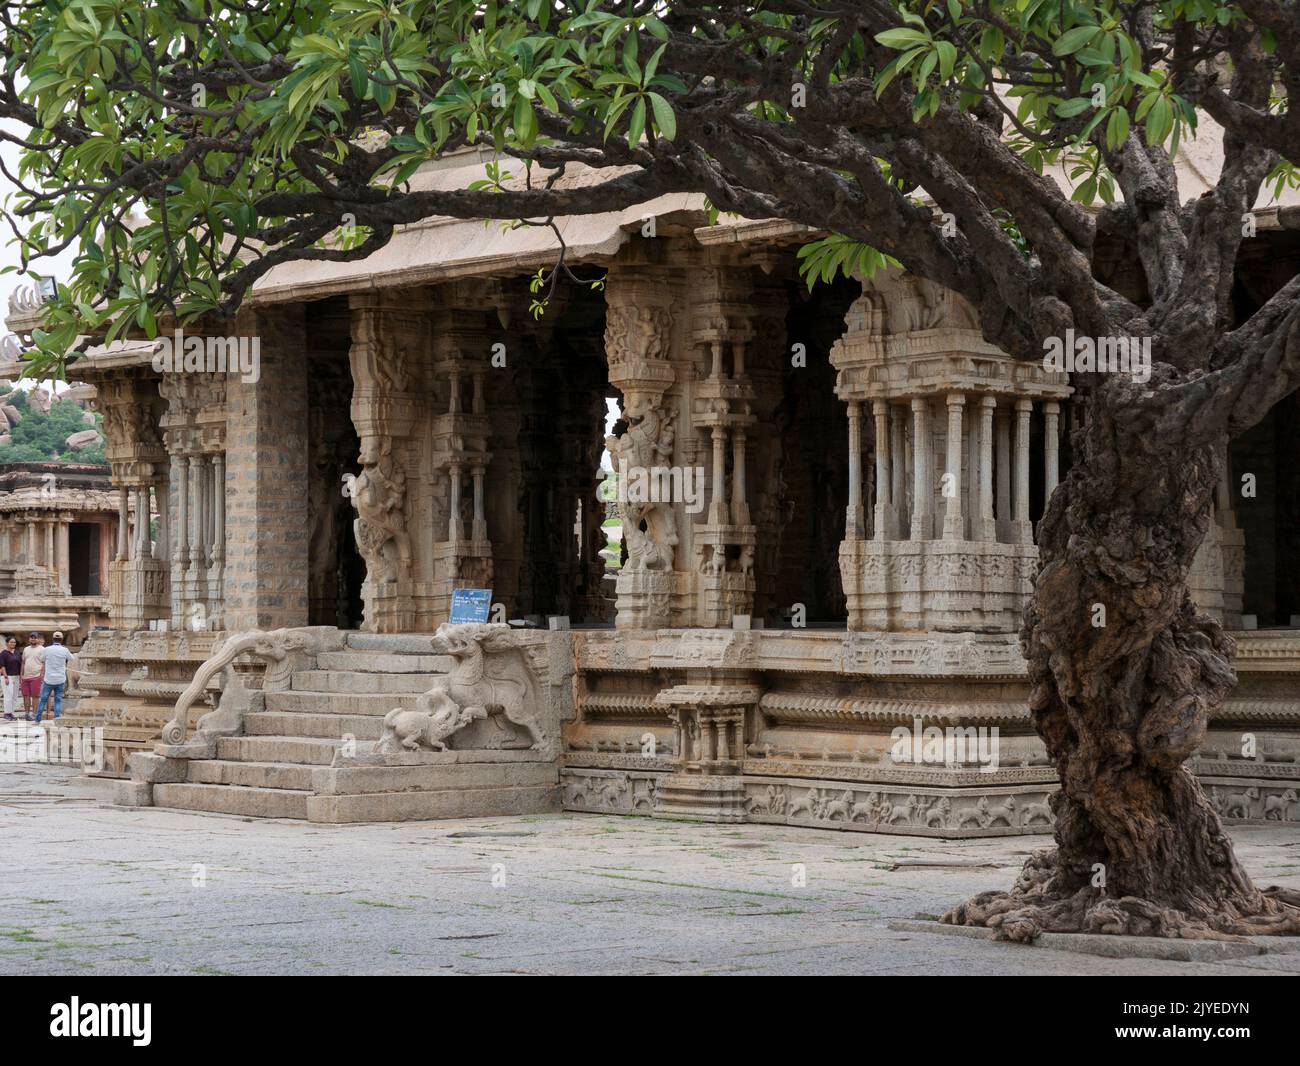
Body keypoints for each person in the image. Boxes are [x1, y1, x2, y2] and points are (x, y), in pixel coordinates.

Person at [35, 631, 76, 723]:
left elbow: (41, 659)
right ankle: (57, 718)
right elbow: (72, 659)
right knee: (58, 700)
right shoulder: (64, 650)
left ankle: (37, 719)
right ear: (61, 640)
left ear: (53, 639)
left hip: (48, 679)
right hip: (60, 679)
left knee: (43, 700)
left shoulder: (47, 649)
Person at [20, 632, 44, 722]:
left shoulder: (42, 649)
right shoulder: (26, 649)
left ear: (38, 639)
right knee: (25, 696)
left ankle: (34, 714)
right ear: (29, 639)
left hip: (36, 676)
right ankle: (26, 713)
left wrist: (42, 674)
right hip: (25, 677)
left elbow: (44, 662)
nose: (33, 639)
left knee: (35, 696)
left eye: (35, 638)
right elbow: (23, 662)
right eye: (31, 638)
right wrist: (21, 675)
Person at [1, 636, 20, 720]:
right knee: (8, 695)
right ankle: (6, 713)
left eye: (14, 642)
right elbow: (2, 666)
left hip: (16, 676)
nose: (13, 644)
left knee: (14, 696)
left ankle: (11, 713)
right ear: (7, 643)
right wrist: (5, 677)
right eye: (11, 642)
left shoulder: (16, 652)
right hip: (7, 676)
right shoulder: (3, 653)